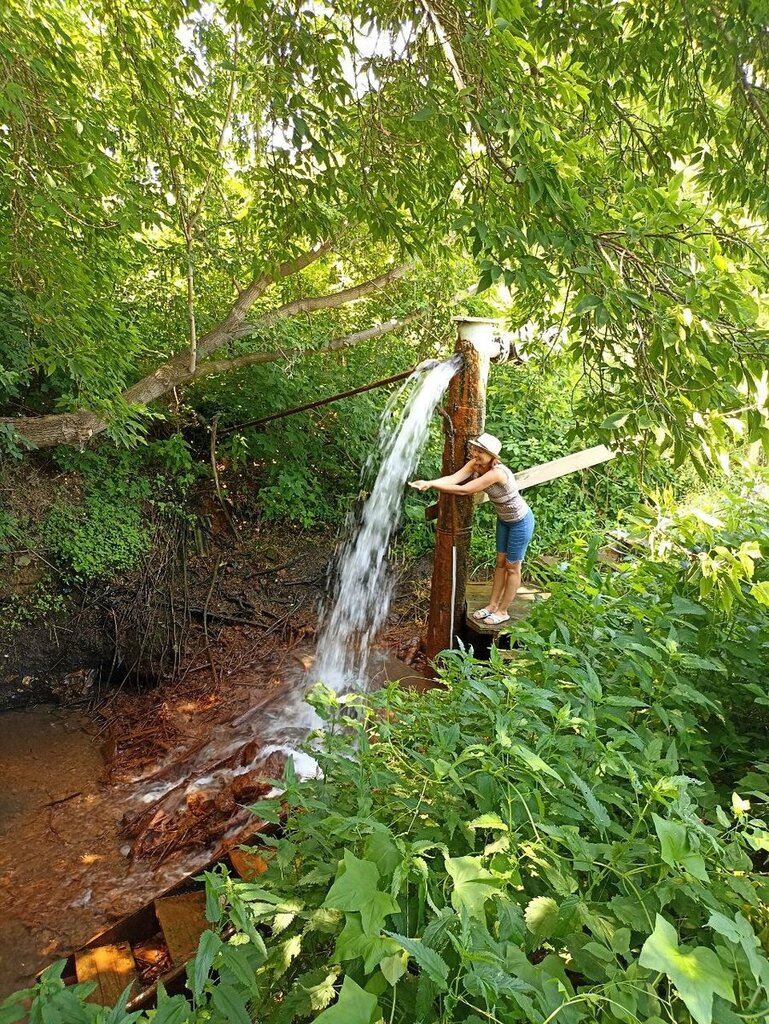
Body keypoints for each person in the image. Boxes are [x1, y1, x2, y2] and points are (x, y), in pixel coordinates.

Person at [409, 432, 534, 625]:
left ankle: (503, 611)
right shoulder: (476, 464)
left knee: (512, 567)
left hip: (520, 521)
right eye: (476, 449)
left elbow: (465, 490)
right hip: (504, 520)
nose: (476, 454)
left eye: (481, 452)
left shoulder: (496, 473)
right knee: (500, 562)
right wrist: (429, 482)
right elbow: (454, 479)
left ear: (492, 456)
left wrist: (433, 486)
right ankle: (492, 606)